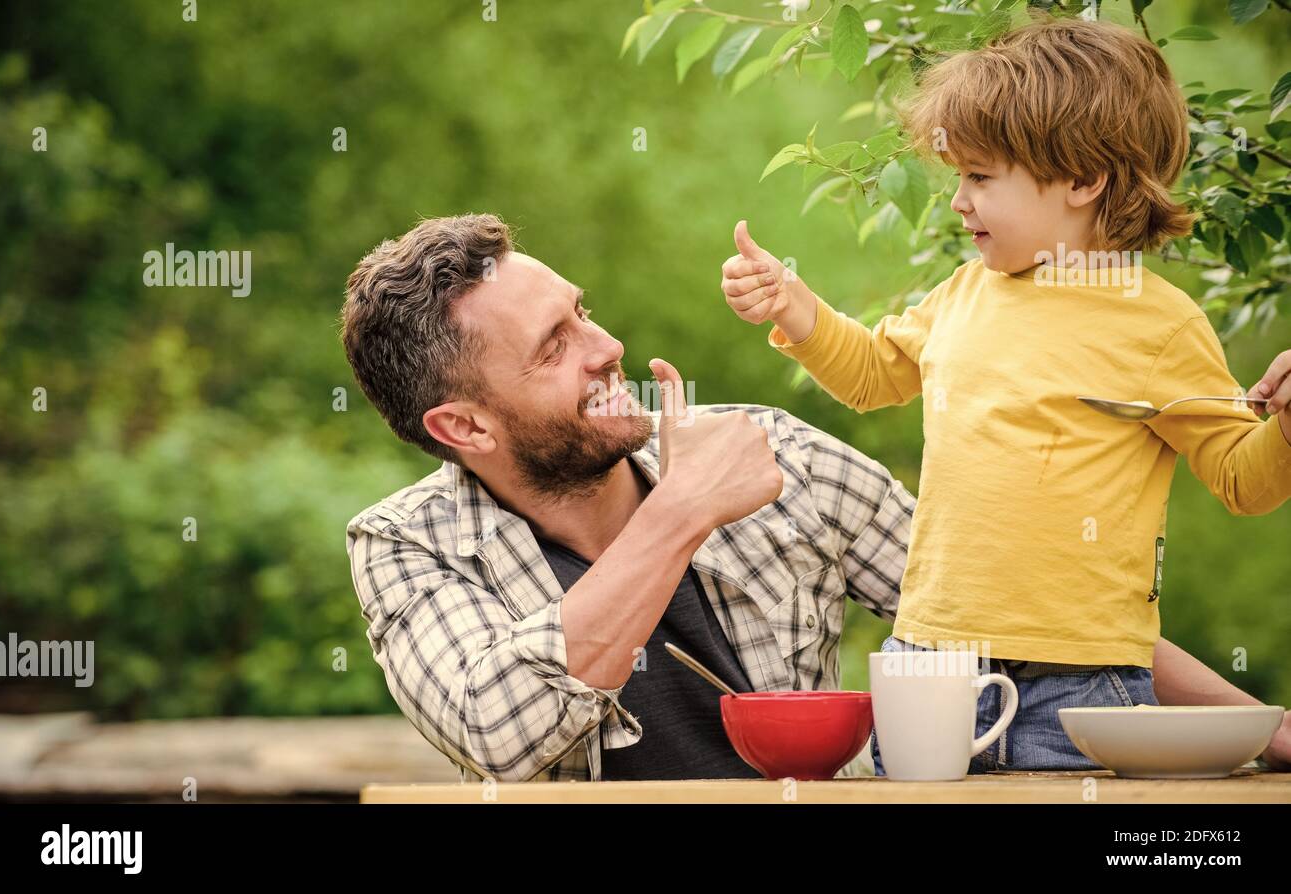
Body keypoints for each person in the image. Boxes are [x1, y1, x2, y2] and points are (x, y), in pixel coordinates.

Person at [340, 212, 1290, 782]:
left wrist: (1270, 731)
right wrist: (683, 511)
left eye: (582, 312)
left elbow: (1025, 605)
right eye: (554, 347)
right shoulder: (405, 545)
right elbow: (499, 734)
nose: (604, 347)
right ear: (464, 428)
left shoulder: (773, 449)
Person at [719, 17, 1291, 773]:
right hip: (931, 663)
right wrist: (796, 309)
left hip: (1082, 686)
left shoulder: (1159, 324)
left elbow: (1244, 480)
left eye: (981, 179)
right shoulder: (963, 294)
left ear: (1085, 180)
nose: (958, 202)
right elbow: (869, 373)